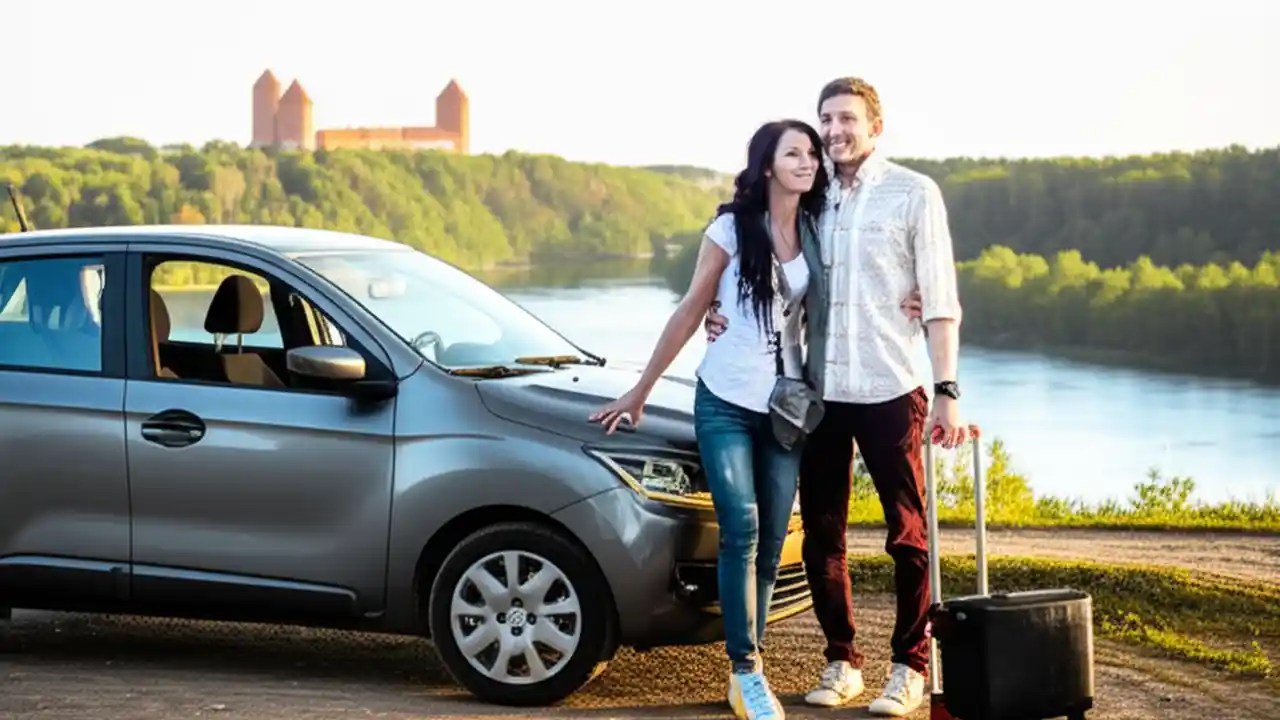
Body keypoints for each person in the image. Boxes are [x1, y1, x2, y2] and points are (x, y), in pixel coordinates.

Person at [705, 77, 966, 717]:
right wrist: (716, 307)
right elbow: (757, 258)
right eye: (827, 119)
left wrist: (947, 391)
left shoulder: (914, 193)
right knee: (824, 536)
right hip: (820, 393)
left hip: (890, 387)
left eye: (847, 118)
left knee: (907, 535)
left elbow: (939, 298)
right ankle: (841, 659)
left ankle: (909, 666)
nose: (835, 130)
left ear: (875, 126)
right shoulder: (813, 195)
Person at [590, 119, 828, 720]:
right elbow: (693, 308)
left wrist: (910, 301)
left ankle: (751, 659)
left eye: (813, 153)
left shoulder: (817, 229)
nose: (808, 162)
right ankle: (746, 670)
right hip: (724, 398)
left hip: (786, 408)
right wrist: (640, 391)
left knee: (773, 540)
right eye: (794, 153)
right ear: (767, 165)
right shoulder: (730, 228)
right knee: (741, 527)